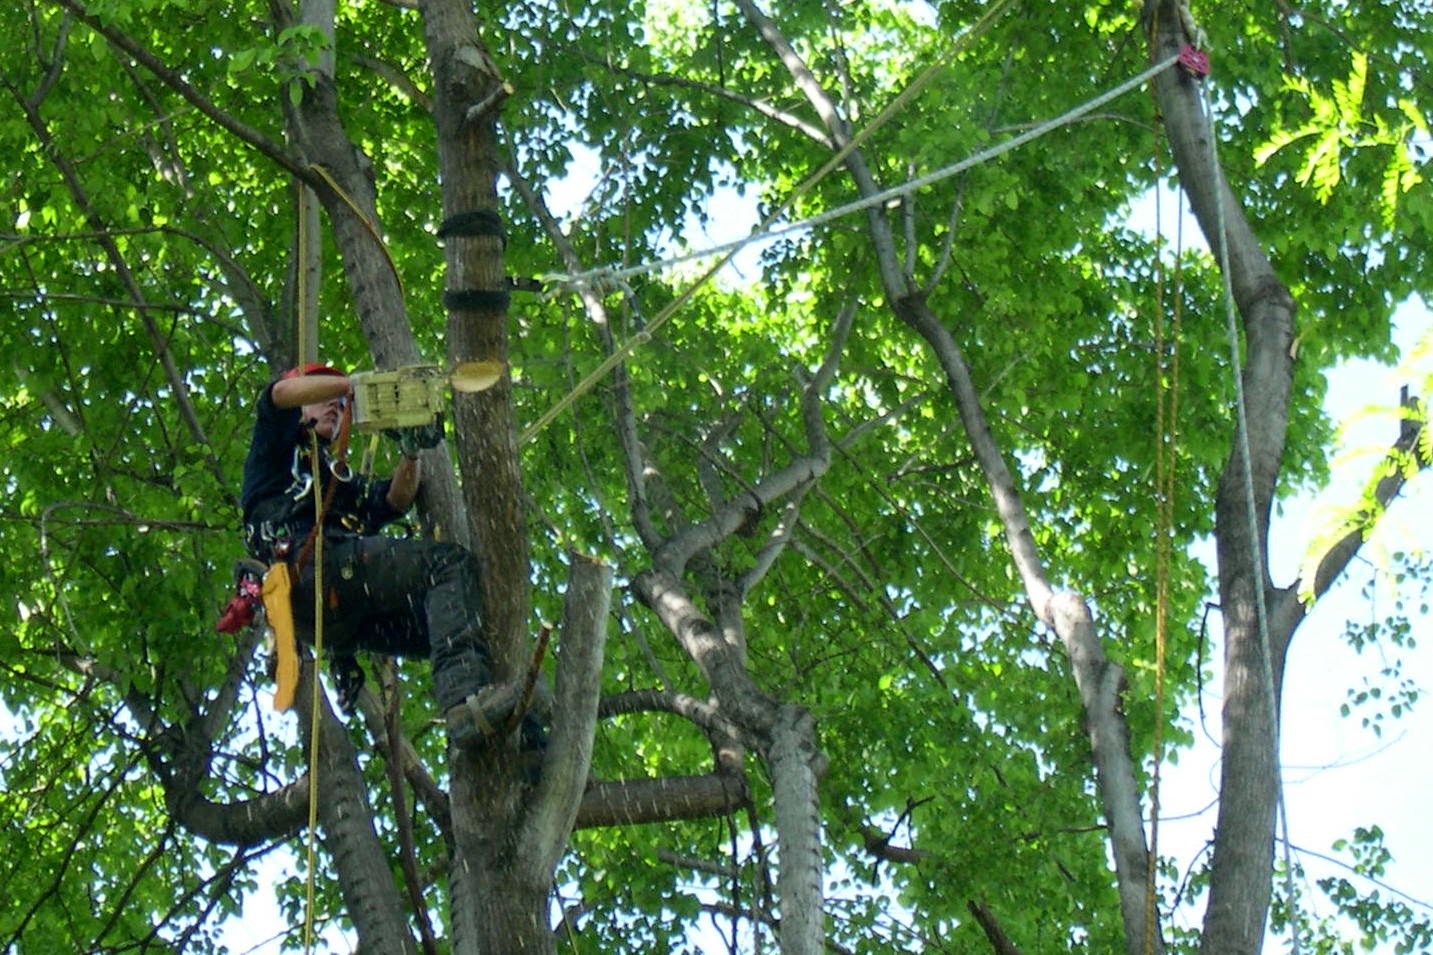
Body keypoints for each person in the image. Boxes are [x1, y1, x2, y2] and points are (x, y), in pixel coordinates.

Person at [239, 362, 508, 749]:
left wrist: (411, 450)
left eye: (341, 405)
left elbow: (395, 499)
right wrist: (354, 386)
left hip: (337, 621)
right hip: (311, 566)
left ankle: (514, 729)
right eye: (325, 399)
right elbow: (278, 395)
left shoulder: (338, 478)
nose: (336, 406)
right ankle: (464, 703)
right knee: (448, 565)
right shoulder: (277, 447)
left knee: (455, 620)